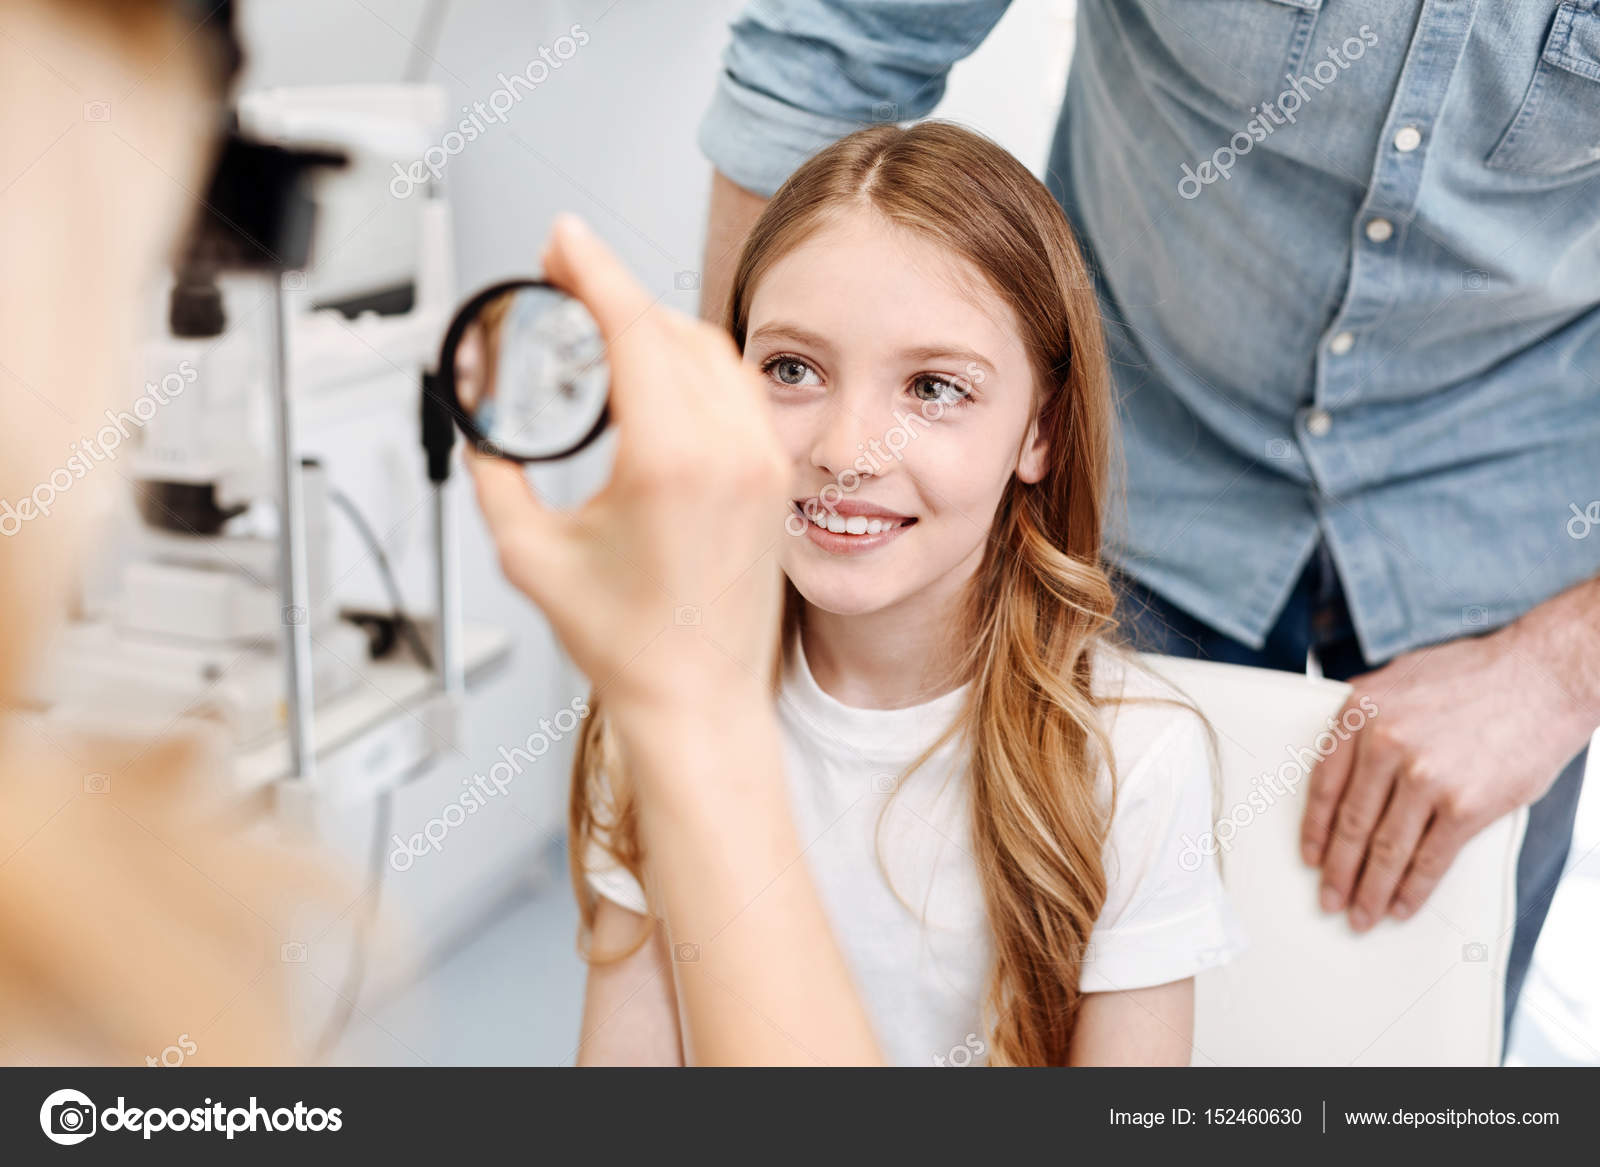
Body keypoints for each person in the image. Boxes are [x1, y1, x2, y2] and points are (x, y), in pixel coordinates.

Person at [691, 0, 1600, 1046]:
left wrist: (1562, 667)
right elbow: (833, 49)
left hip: (1521, 514)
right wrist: (735, 514)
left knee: (1411, 1036)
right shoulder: (662, 748)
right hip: (1139, 458)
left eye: (932, 386)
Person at [539, 122, 1244, 1067]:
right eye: (791, 368)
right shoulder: (659, 706)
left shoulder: (1134, 763)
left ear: (1040, 434)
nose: (844, 447)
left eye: (934, 387)